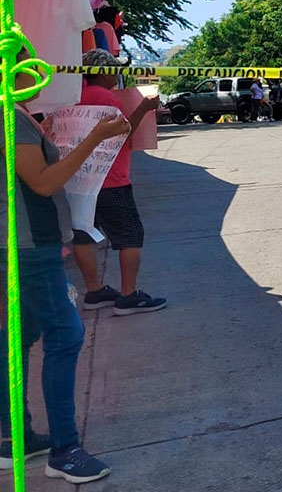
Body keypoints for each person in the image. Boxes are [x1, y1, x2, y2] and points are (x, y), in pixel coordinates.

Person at [2, 47, 126, 483]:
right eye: (28, 64)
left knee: (18, 335)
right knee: (65, 334)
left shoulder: (17, 116)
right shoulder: (11, 116)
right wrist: (94, 138)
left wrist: (47, 139)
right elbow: (42, 183)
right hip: (29, 244)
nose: (38, 72)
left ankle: (14, 436)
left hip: (16, 243)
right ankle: (65, 450)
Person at [71, 49, 168, 316]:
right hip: (110, 178)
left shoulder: (75, 96)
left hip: (81, 179)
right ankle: (128, 295)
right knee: (130, 235)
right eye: (114, 68)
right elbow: (122, 131)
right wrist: (144, 108)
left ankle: (94, 290)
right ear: (102, 72)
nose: (117, 73)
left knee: (83, 233)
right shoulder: (104, 97)